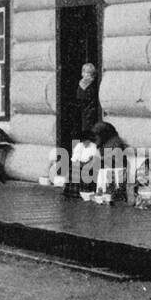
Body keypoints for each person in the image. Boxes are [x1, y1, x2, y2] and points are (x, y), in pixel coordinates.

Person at [64, 62, 102, 198]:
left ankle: (85, 180)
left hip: (88, 117)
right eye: (85, 72)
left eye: (89, 73)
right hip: (80, 116)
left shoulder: (92, 86)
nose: (86, 75)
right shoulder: (81, 84)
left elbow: (90, 102)